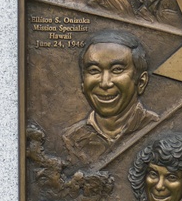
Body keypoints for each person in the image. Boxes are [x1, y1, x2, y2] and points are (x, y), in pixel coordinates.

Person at [62, 29, 159, 165]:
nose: (105, 83)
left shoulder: (158, 129)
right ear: (83, 82)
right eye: (94, 70)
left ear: (141, 82)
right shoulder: (69, 139)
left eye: (117, 69)